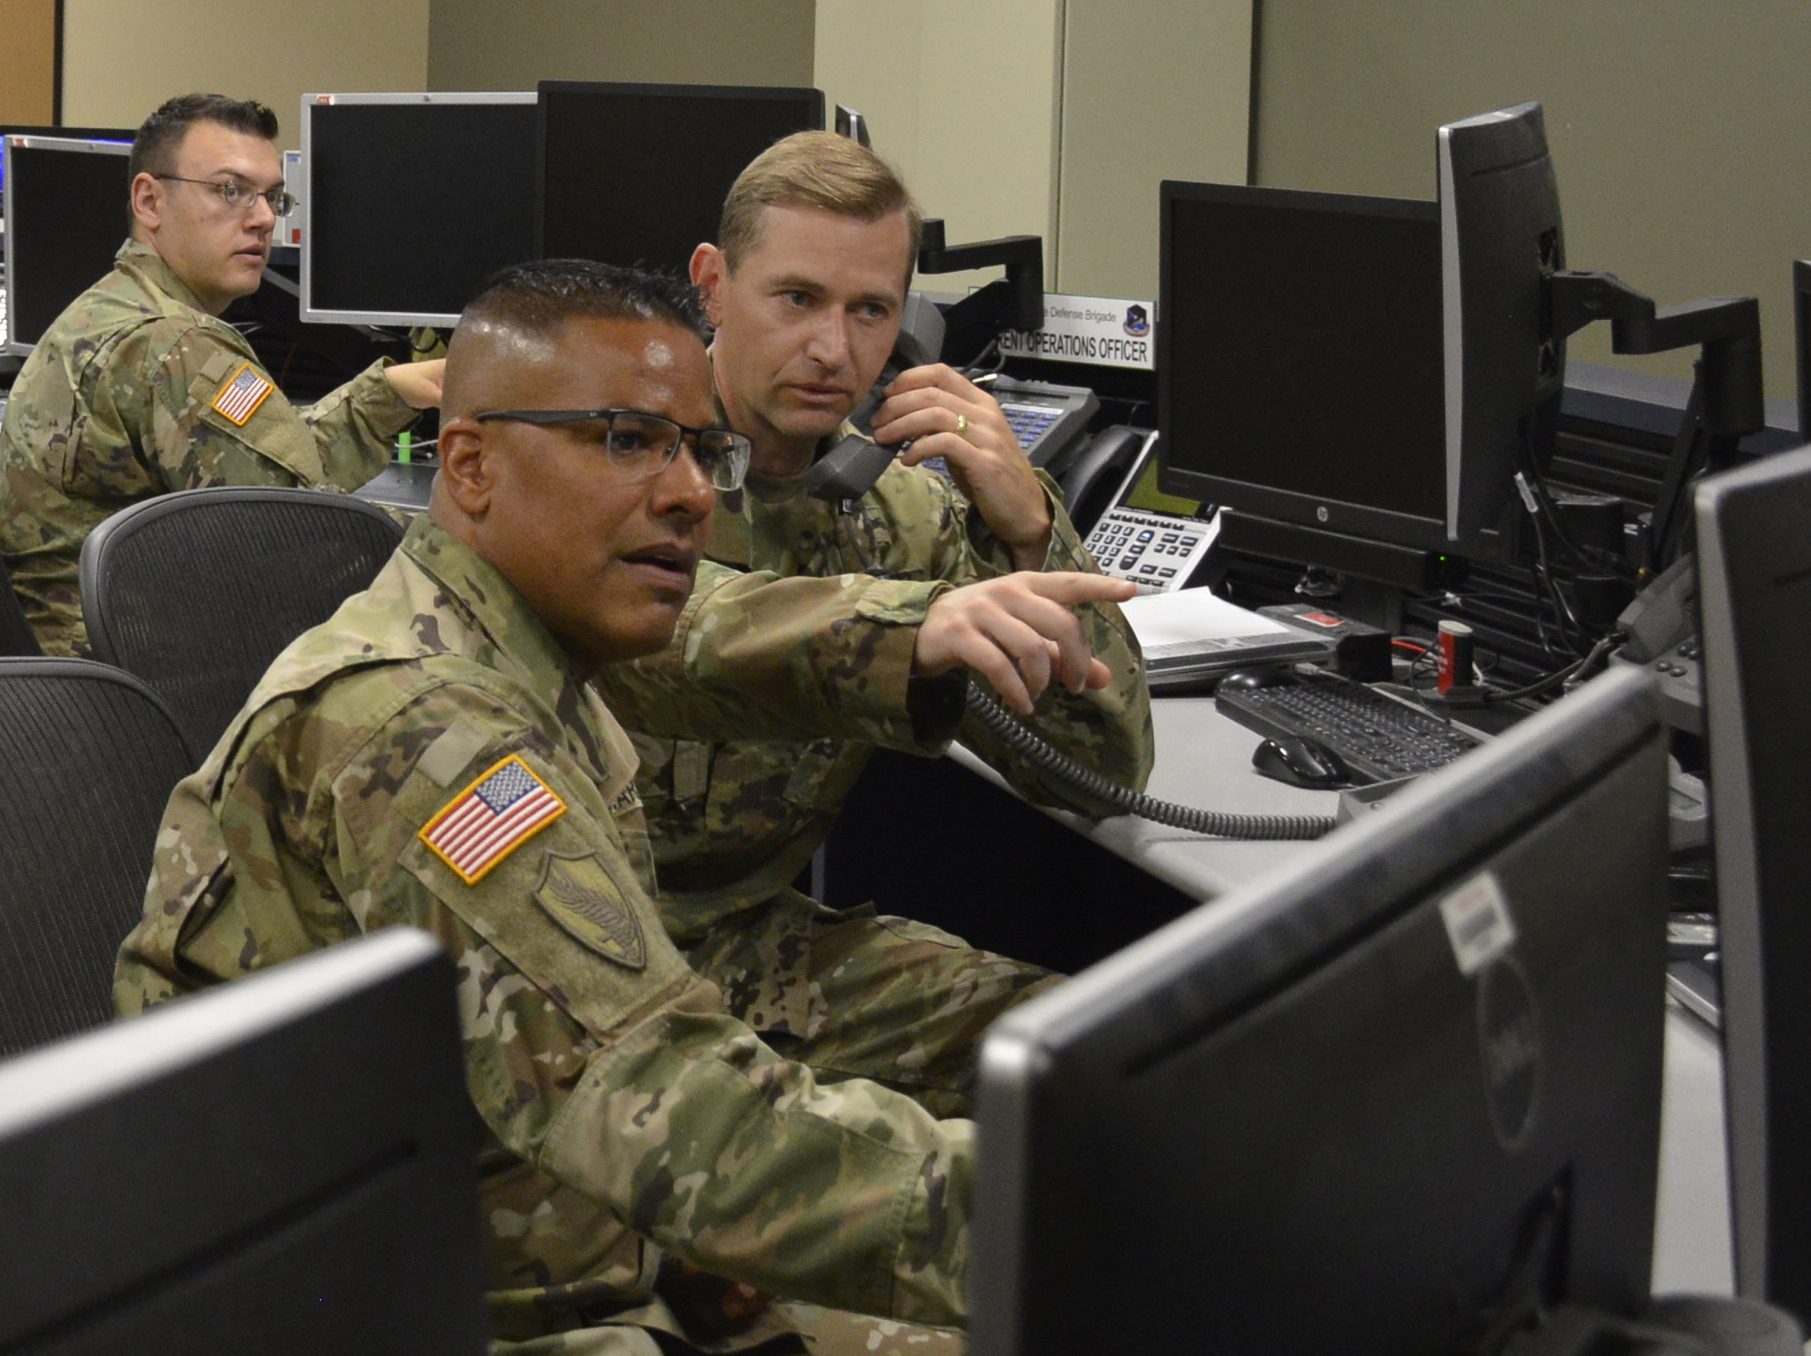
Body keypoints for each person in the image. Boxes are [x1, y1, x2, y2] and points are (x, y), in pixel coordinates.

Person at [116, 260, 1135, 1352]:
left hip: (504, 1232)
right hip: (386, 1302)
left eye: (701, 448)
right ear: (469, 465)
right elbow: (670, 1110)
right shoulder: (424, 729)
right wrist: (1117, 1220)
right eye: (627, 440)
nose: (693, 491)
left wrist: (683, 1257)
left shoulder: (525, 655)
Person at [645, 132, 1153, 1114]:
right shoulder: (605, 446)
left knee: (1083, 1065)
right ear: (713, 286)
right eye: (796, 299)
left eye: (870, 310)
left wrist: (1028, 525)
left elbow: (1104, 774)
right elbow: (679, 633)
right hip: (564, 942)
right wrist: (907, 633)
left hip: (739, 946)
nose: (835, 350)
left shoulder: (896, 514)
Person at [0, 91, 441, 656]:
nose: (262, 218)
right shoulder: (176, 346)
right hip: (149, 670)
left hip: (87, 652)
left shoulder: (115, 306)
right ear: (150, 201)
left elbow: (272, 473)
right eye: (230, 191)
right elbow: (310, 534)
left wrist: (392, 393)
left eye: (272, 197)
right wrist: (474, 532)